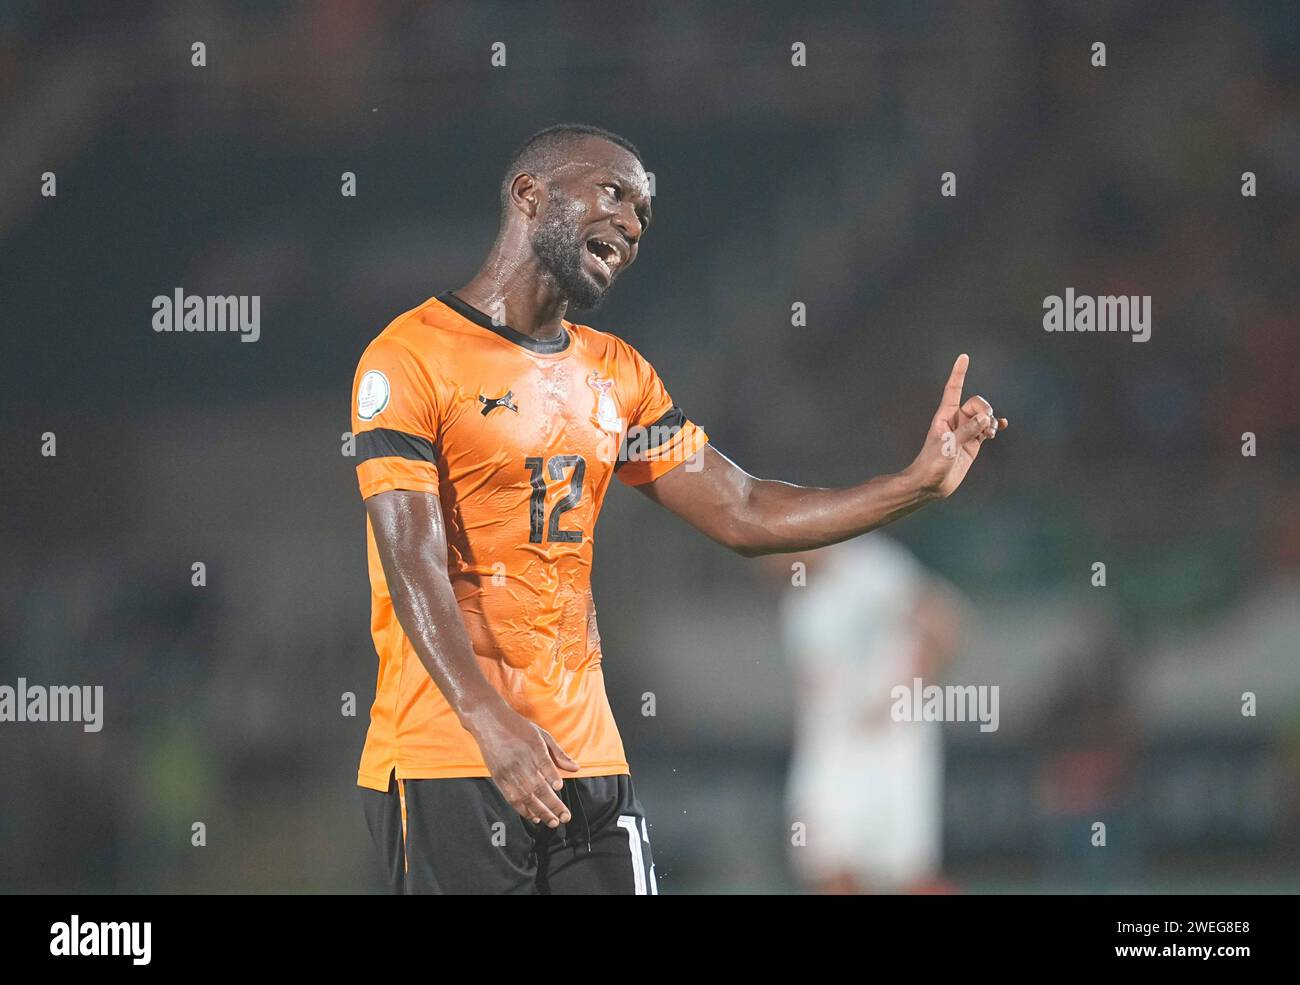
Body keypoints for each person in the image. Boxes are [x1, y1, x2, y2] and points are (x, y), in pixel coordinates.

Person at [351, 123, 1005, 894]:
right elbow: (413, 564)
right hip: (447, 753)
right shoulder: (411, 356)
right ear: (531, 195)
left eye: (643, 215)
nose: (631, 223)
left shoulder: (617, 374)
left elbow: (744, 507)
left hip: (586, 755)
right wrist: (488, 719)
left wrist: (913, 485)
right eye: (613, 193)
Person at [771, 535, 964, 894]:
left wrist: (907, 690)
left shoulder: (868, 564)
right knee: (824, 863)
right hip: (830, 749)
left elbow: (942, 621)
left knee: (906, 873)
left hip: (890, 746)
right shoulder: (797, 600)